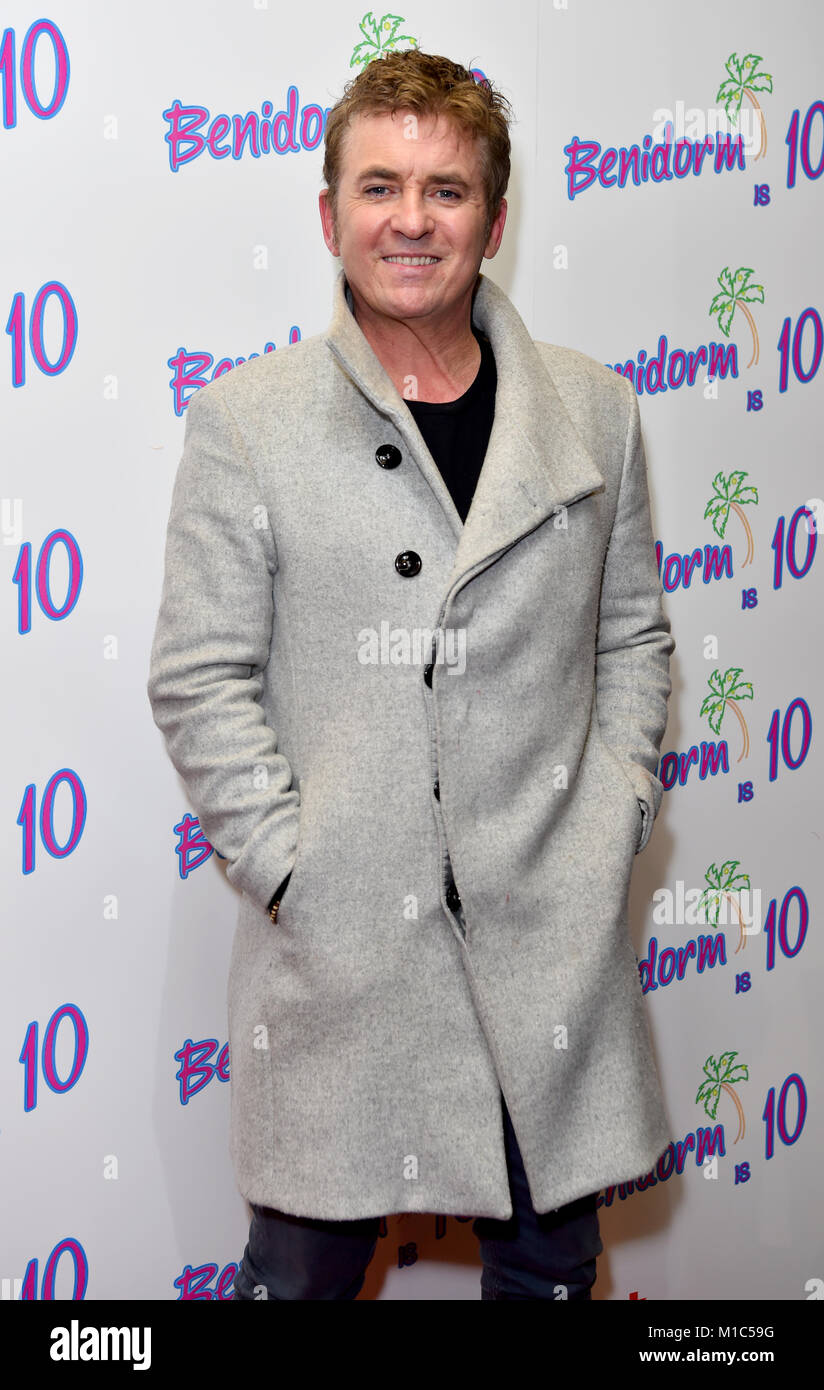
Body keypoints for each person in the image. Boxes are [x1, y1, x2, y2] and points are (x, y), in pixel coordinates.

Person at [147, 48, 675, 1301]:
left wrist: (612, 816)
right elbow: (198, 674)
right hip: (342, 962)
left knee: (550, 1274)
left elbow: (633, 637)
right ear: (329, 216)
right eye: (378, 186)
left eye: (445, 190)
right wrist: (291, 864)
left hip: (543, 950)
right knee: (301, 1278)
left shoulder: (593, 410)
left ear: (492, 222)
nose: (410, 219)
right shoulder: (247, 421)